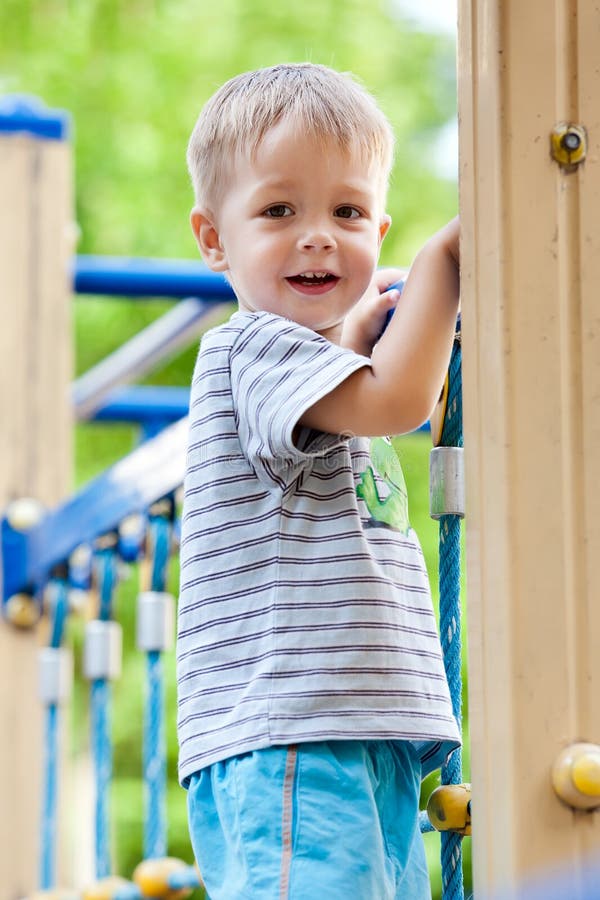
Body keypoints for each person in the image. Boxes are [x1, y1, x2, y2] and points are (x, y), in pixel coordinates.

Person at [177, 62, 461, 900]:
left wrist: (375, 327)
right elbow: (402, 400)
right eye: (278, 210)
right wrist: (444, 260)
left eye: (347, 211)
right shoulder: (247, 350)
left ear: (376, 223)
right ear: (213, 238)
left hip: (357, 728)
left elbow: (408, 397)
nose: (317, 235)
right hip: (294, 733)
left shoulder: (320, 369)